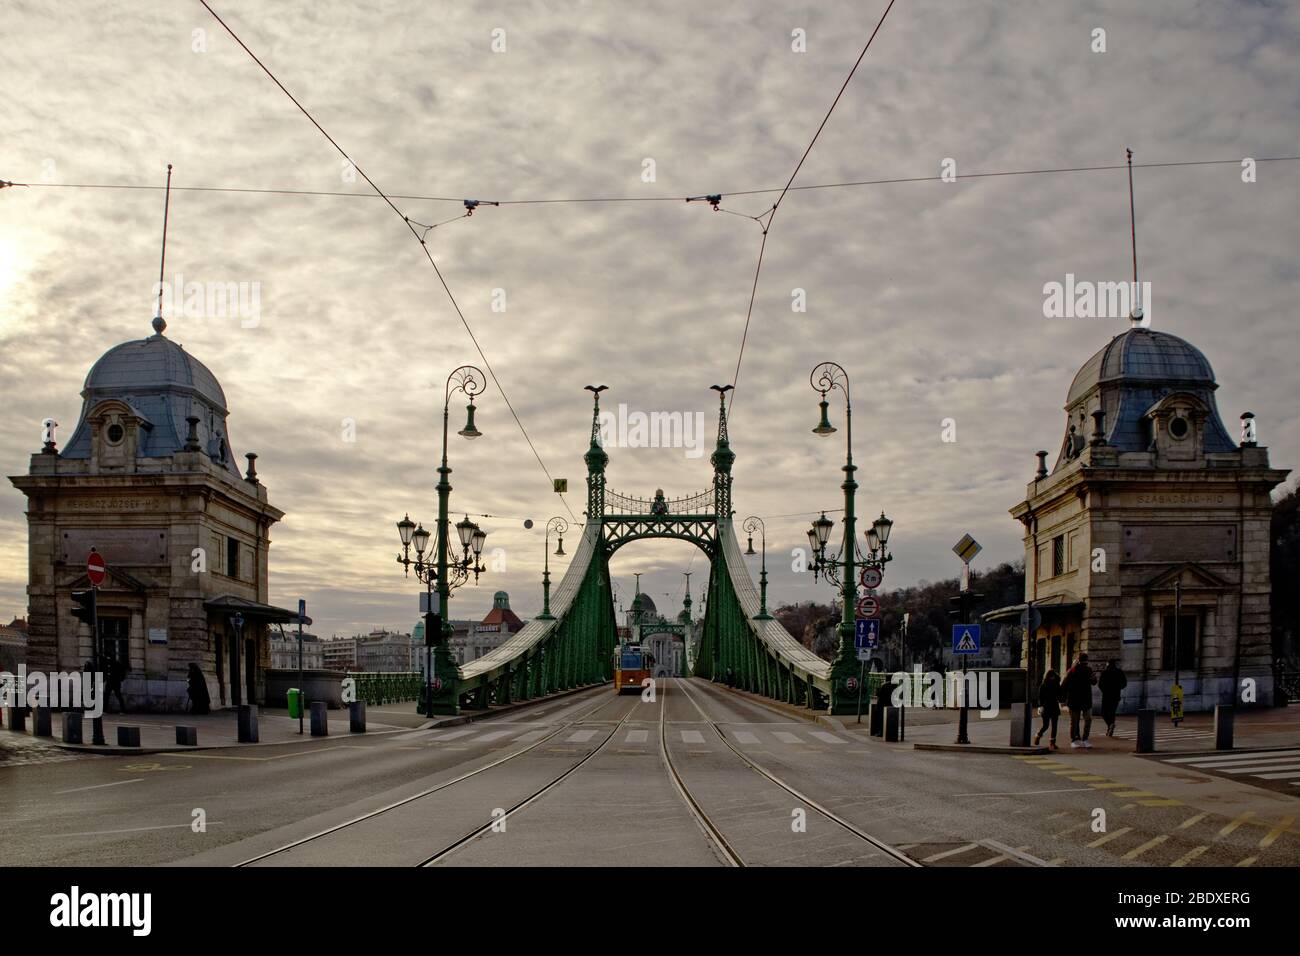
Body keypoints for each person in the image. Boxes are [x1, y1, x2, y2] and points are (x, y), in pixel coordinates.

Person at [1060, 652, 1097, 748]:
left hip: (1074, 700)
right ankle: (1084, 739)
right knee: (1087, 719)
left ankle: (1075, 739)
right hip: (1085, 699)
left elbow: (1064, 685)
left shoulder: (1072, 671)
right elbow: (1094, 682)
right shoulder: (1087, 670)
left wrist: (1062, 699)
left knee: (1075, 721)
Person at [1033, 668, 1062, 749]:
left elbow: (1059, 694)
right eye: (1051, 676)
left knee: (1054, 726)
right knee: (1046, 725)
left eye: (1053, 676)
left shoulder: (1056, 684)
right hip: (1046, 707)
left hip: (1054, 706)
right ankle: (1038, 735)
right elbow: (1040, 697)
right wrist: (1041, 706)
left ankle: (1052, 743)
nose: (1052, 678)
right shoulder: (1044, 685)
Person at [1098, 659, 1128, 736]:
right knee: (1112, 712)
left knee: (1104, 712)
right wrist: (1118, 688)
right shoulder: (1119, 672)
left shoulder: (1105, 672)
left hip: (1106, 695)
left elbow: (1100, 684)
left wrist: (1104, 690)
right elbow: (1124, 683)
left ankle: (1110, 725)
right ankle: (1110, 727)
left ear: (1108, 664)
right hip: (1116, 695)